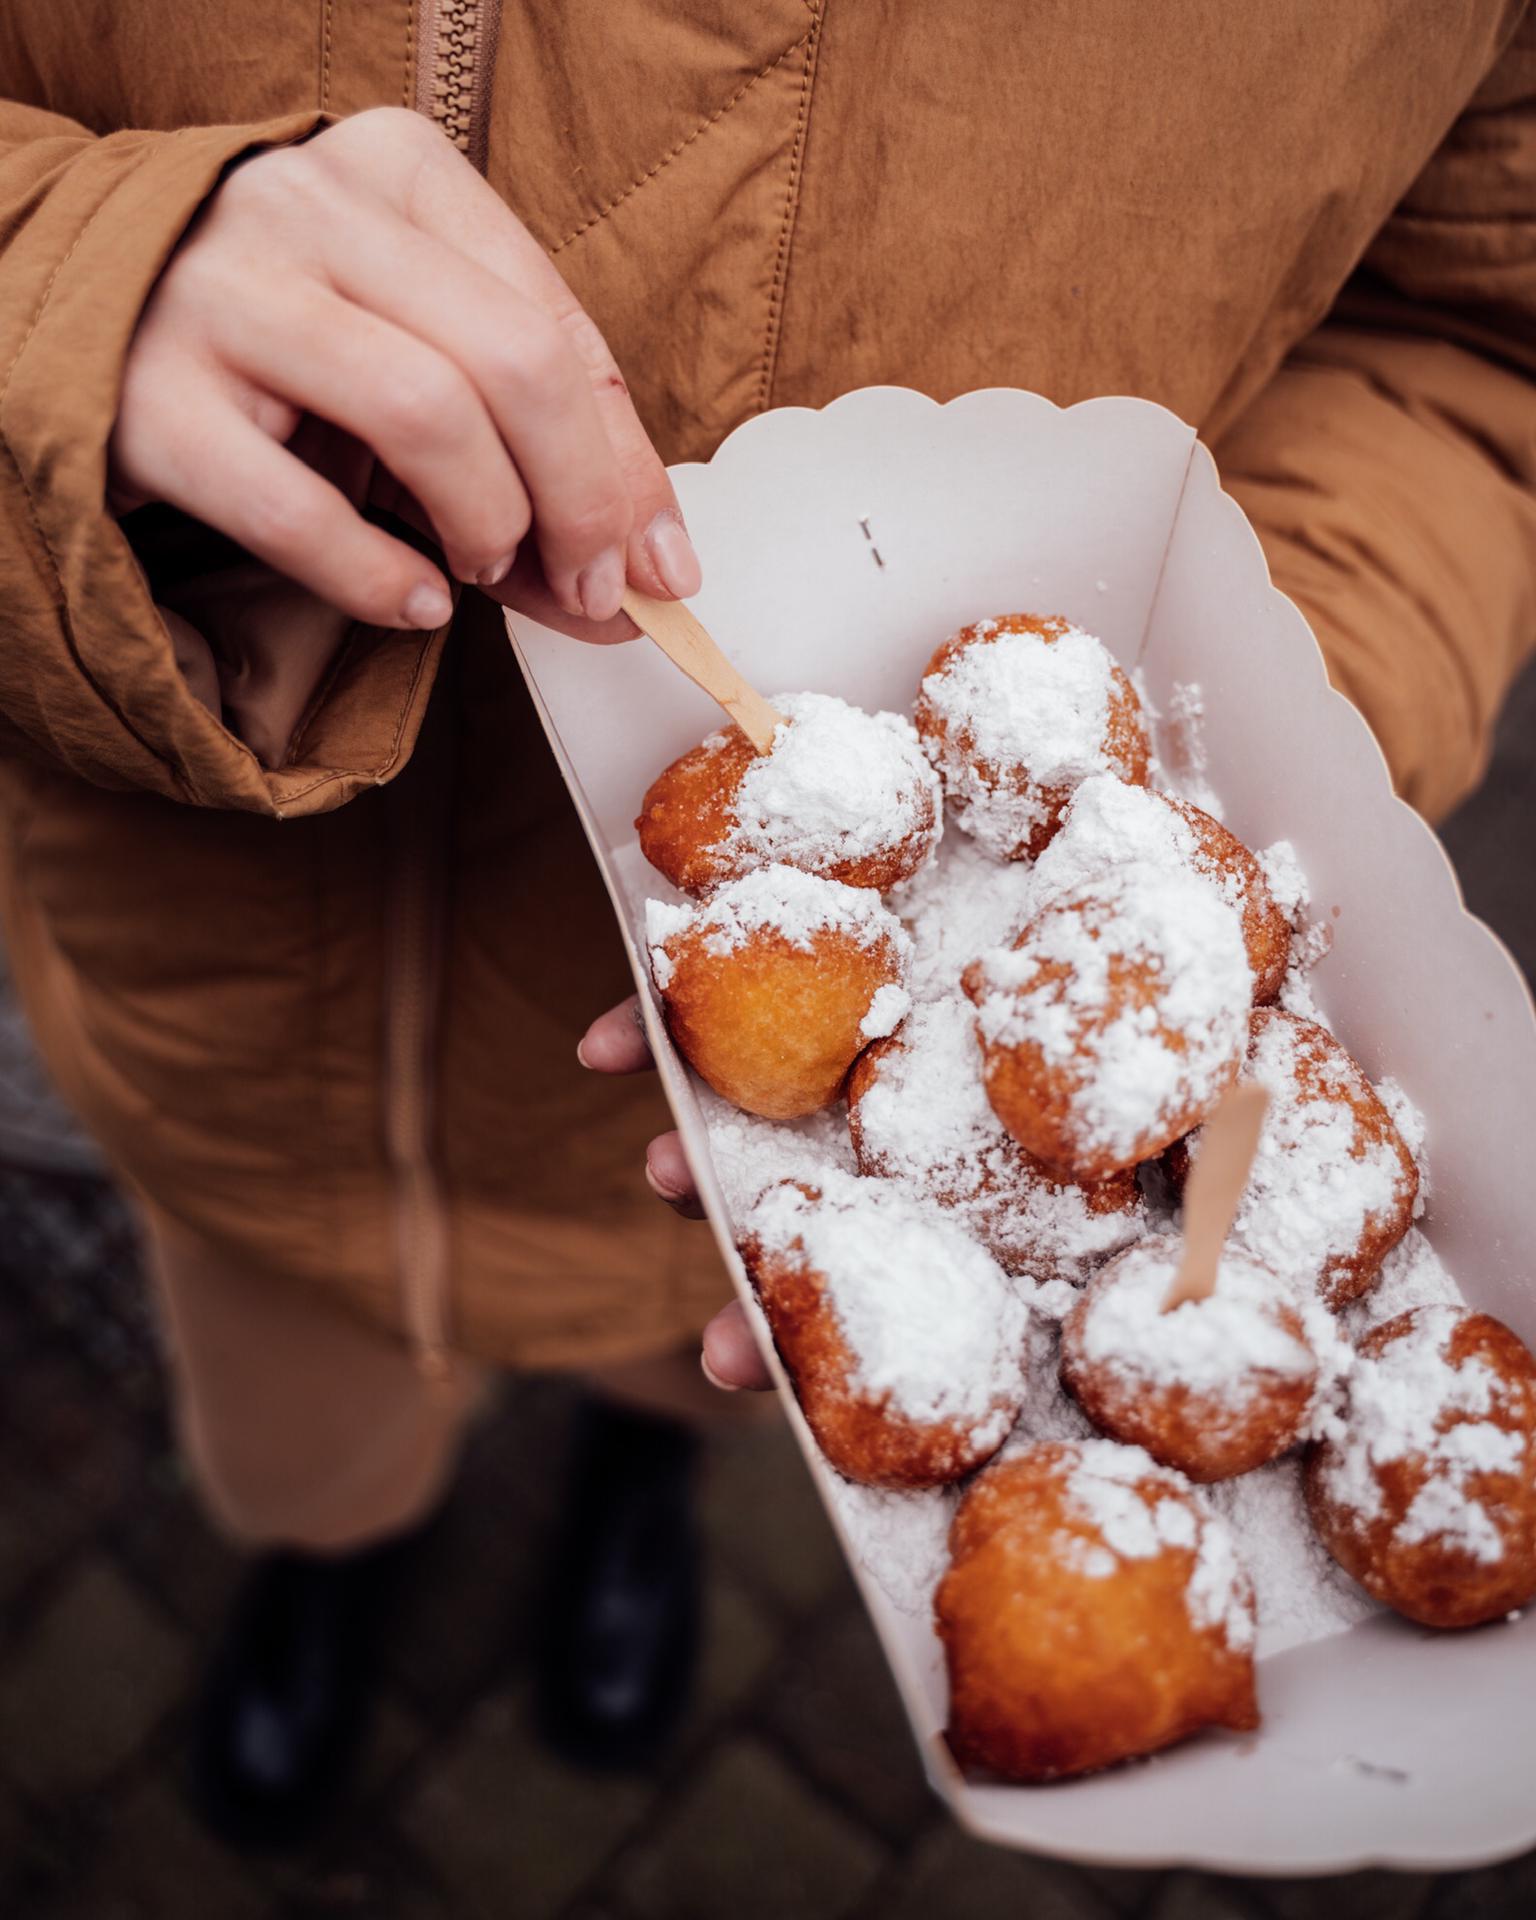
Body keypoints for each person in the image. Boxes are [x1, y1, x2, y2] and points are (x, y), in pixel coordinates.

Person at [1, 0, 1533, 1846]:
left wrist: (1234, 777)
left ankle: (633, 1483)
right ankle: (330, 1566)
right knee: (300, 1429)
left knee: (713, 1371)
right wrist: (55, 298)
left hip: (723, 1201)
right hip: (235, 1034)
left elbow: (1472, 341)